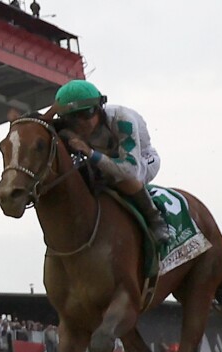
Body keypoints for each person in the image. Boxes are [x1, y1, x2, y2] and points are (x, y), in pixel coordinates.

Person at [50, 79, 168, 240]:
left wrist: (90, 153)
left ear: (99, 108)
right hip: (105, 161)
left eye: (87, 114)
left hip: (140, 160)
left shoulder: (122, 120)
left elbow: (129, 168)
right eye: (72, 118)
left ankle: (155, 220)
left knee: (119, 176)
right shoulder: (68, 126)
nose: (81, 123)